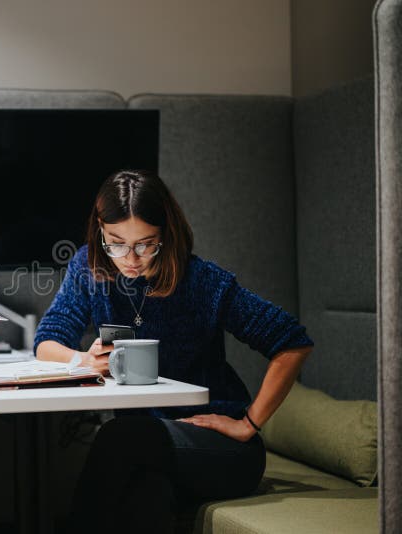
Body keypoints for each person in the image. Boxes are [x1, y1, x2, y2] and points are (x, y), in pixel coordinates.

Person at [34, 170, 313, 533]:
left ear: (165, 234)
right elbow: (46, 342)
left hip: (221, 448)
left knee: (121, 435)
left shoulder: (201, 282)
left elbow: (292, 340)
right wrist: (83, 361)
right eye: (115, 243)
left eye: (145, 244)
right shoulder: (89, 268)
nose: (130, 258)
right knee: (146, 495)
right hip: (151, 449)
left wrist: (249, 423)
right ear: (100, 230)